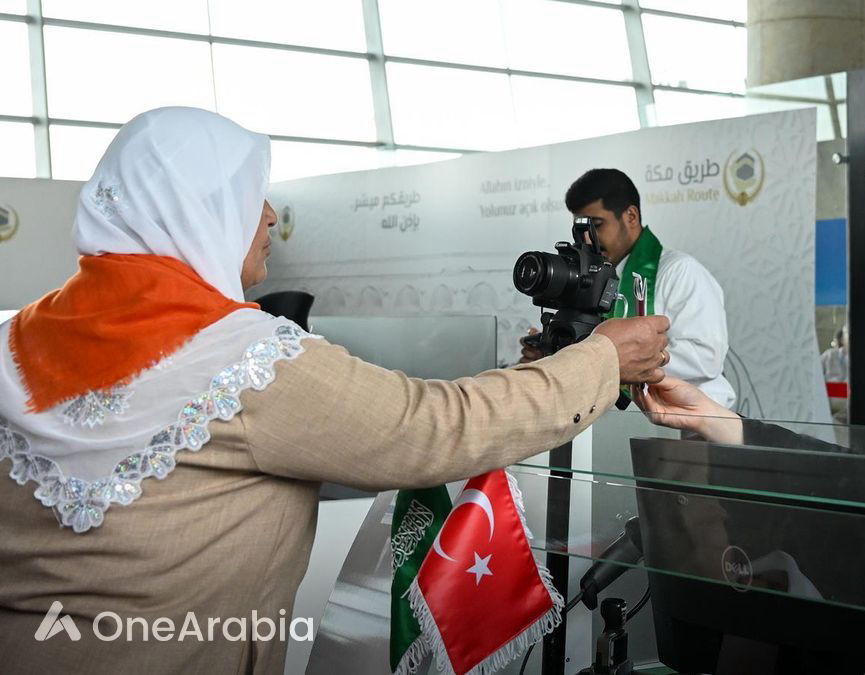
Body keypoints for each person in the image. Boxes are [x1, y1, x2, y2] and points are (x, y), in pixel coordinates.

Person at [0, 107, 670, 674]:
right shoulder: (243, 361)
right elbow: (432, 428)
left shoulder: (14, 342)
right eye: (245, 196)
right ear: (193, 215)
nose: (267, 215)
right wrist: (600, 359)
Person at [521, 168, 736, 408]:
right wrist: (557, 354)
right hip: (615, 426)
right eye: (583, 230)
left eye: (598, 225)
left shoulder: (679, 271)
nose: (588, 240)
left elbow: (707, 357)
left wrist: (610, 358)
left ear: (631, 216)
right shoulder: (589, 278)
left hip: (688, 428)